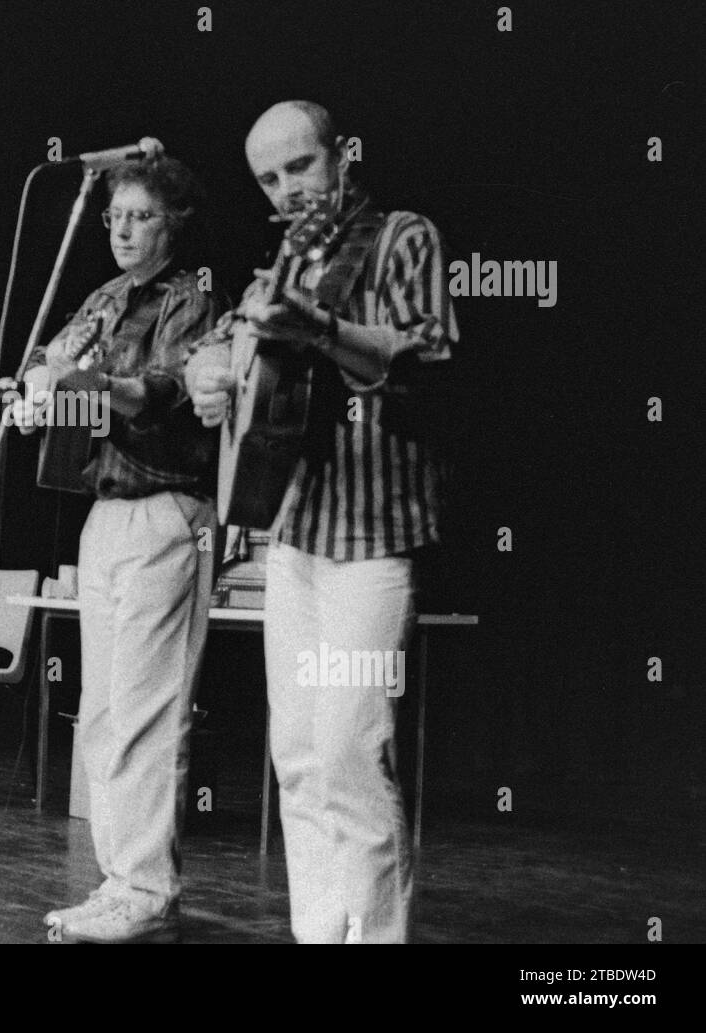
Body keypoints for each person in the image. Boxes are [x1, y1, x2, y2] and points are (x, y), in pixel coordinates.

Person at [186, 100, 459, 943]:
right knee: (298, 758)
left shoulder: (402, 236)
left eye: (299, 167)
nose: (288, 190)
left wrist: (324, 329)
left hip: (372, 537)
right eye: (269, 179)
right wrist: (208, 368)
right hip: (294, 533)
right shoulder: (284, 260)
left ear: (340, 155)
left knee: (350, 753)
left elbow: (429, 358)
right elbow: (233, 339)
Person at [11, 154, 223, 943]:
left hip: (167, 505)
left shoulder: (190, 297)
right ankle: (117, 878)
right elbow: (53, 356)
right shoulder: (104, 297)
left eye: (140, 216)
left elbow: (159, 392)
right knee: (100, 711)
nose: (124, 229)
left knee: (145, 708)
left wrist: (87, 384)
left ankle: (145, 883)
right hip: (105, 509)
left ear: (174, 223)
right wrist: (39, 386)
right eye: (114, 217)